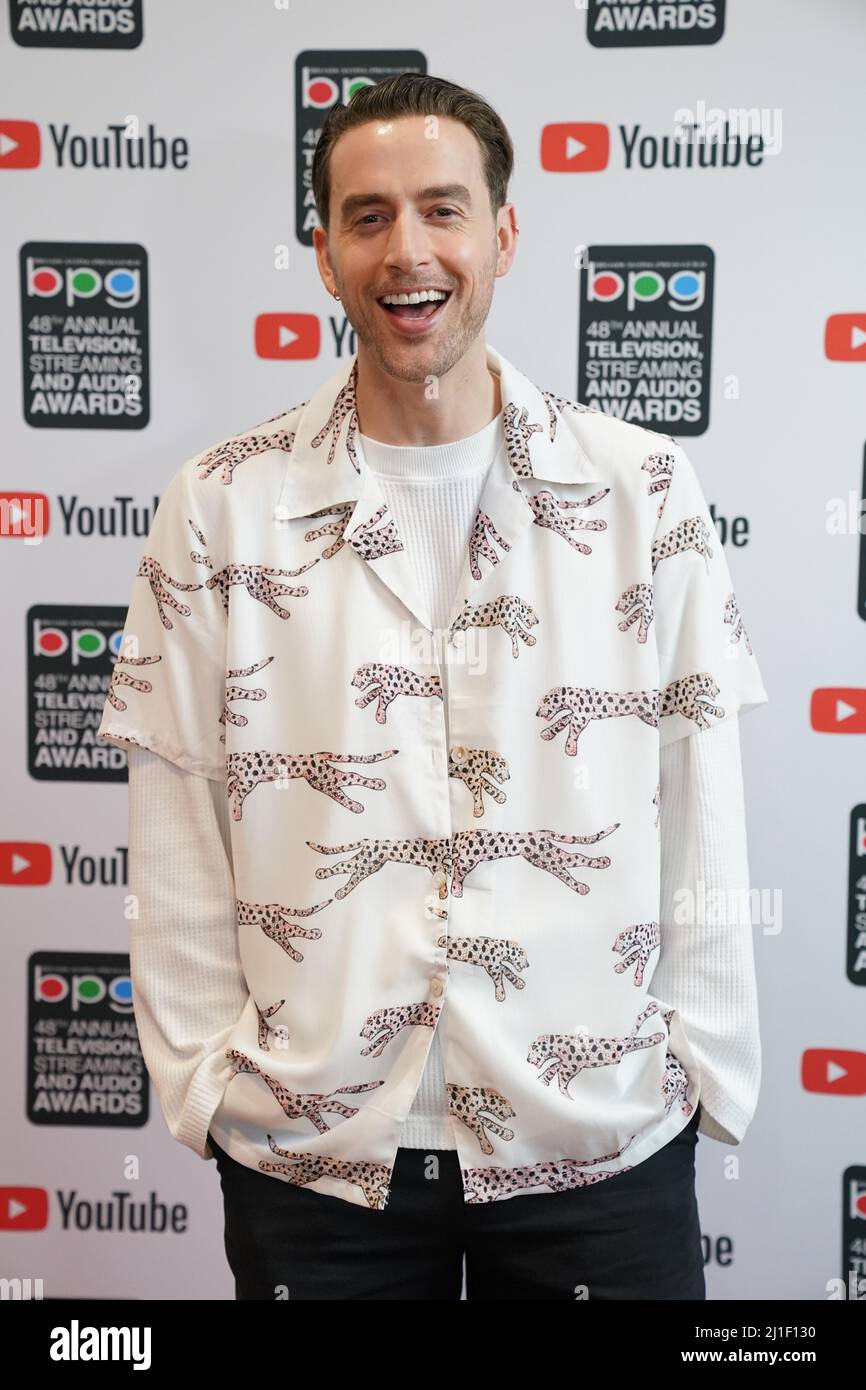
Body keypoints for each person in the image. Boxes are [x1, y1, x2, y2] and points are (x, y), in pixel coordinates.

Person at [98, 73, 768, 1300]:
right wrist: (203, 1084)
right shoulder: (219, 506)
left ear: (502, 235)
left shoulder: (642, 490)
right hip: (316, 1161)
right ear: (323, 251)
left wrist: (699, 1070)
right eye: (366, 216)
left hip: (594, 1145)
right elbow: (178, 821)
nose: (407, 251)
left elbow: (698, 794)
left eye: (442, 209)